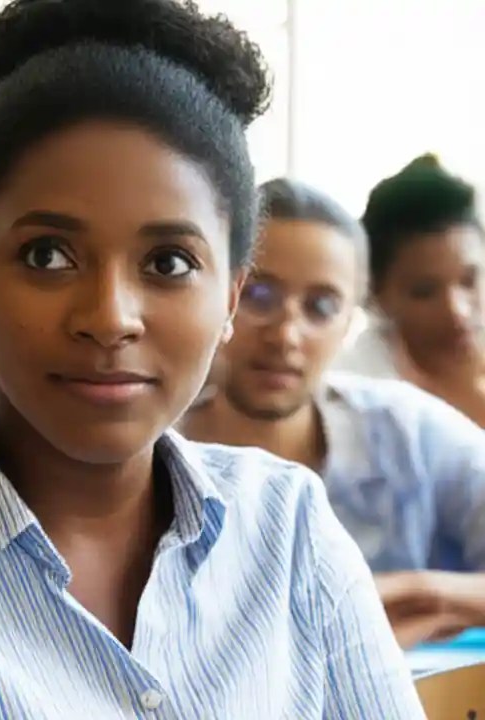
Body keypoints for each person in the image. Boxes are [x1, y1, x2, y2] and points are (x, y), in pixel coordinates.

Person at [0, 1, 422, 717]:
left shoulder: (288, 528)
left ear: (230, 297)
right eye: (48, 255)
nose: (108, 318)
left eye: (167, 261)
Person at [183, 178, 485, 648]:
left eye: (321, 306)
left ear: (352, 321)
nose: (286, 335)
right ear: (218, 293)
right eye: (259, 296)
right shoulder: (151, 458)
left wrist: (428, 593)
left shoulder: (408, 431)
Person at [334, 154, 485, 425]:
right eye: (424, 292)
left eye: (469, 281)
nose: (457, 312)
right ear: (375, 295)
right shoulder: (353, 394)